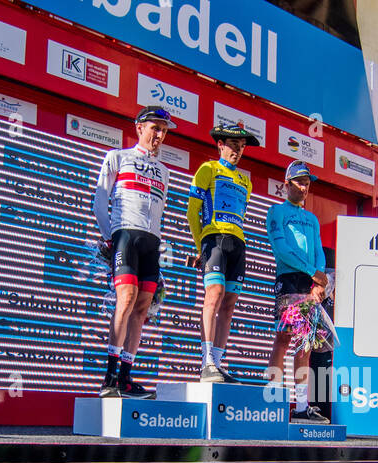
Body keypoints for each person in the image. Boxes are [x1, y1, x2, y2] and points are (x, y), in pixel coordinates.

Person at [91, 106, 174, 399]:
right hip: (125, 235)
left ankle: (125, 377)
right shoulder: (117, 157)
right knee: (125, 300)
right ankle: (109, 377)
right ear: (139, 127)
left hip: (152, 243)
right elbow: (100, 200)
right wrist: (110, 235)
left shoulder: (165, 171)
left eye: (163, 130)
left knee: (142, 308)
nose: (160, 135)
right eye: (155, 128)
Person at [188, 122, 258, 383]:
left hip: (237, 243)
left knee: (229, 305)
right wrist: (200, 248)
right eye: (233, 146)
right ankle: (206, 362)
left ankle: (217, 364)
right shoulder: (208, 169)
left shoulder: (245, 181)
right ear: (220, 144)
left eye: (241, 148)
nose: (237, 152)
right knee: (213, 295)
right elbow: (191, 212)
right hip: (213, 238)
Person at [265, 161, 330, 423]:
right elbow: (281, 250)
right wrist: (311, 270)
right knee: (283, 338)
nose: (304, 187)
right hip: (289, 279)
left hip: (309, 283)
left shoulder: (311, 218)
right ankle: (272, 400)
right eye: (300, 182)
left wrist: (320, 282)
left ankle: (302, 407)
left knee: (306, 345)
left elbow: (319, 252)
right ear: (288, 183)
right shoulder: (276, 212)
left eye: (307, 183)